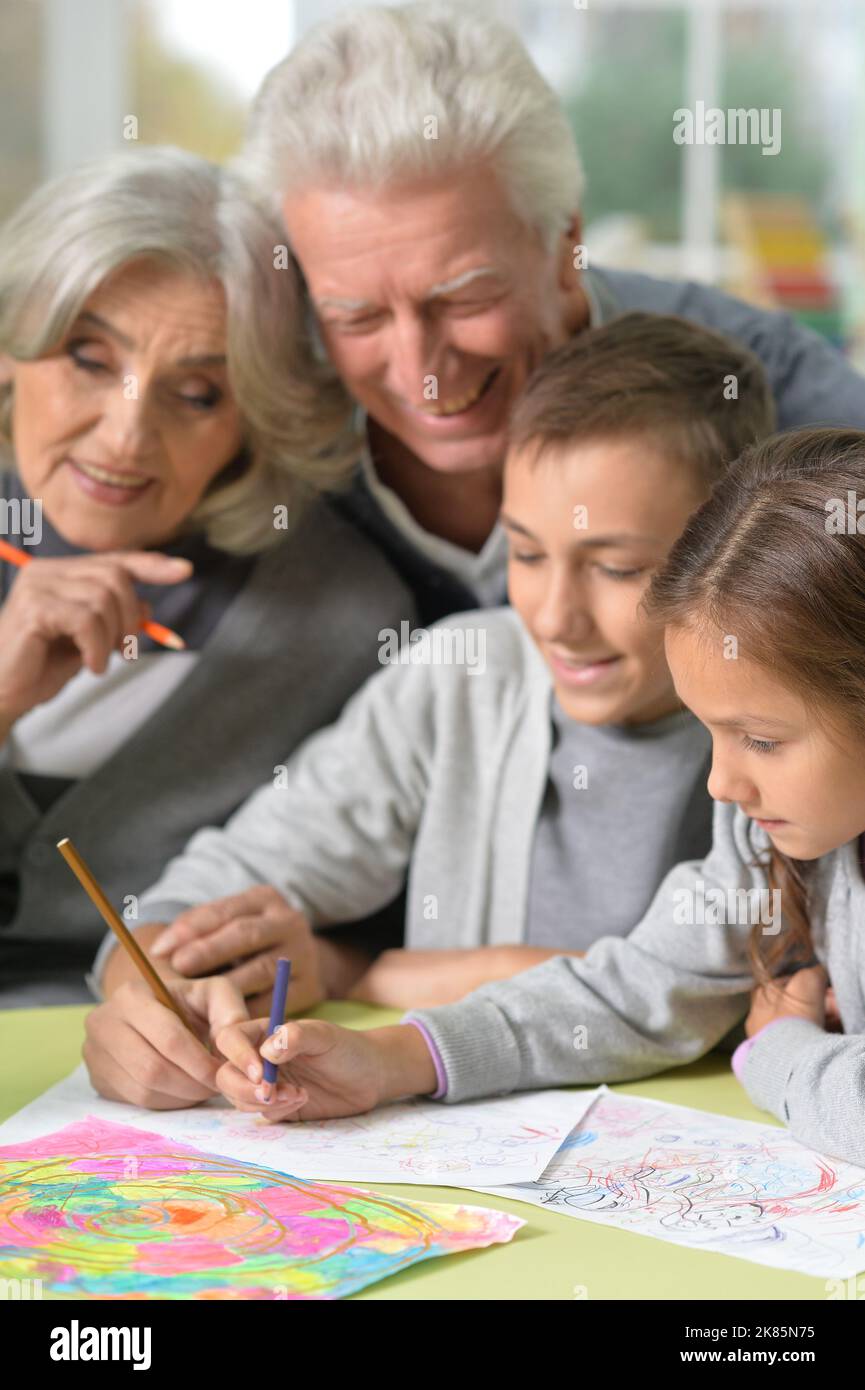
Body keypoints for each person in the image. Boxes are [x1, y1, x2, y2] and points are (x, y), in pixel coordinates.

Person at [82, 312, 774, 1107]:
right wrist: (145, 984)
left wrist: (370, 972)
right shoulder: (462, 676)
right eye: (523, 552)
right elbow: (225, 881)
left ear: (735, 551)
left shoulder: (782, 729)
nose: (552, 616)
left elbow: (694, 990)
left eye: (615, 568)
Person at [211, 426, 865, 1173]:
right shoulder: (769, 833)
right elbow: (636, 990)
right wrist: (392, 1060)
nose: (721, 783)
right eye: (710, 731)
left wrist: (779, 1052)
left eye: (761, 739)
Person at [236, 1, 865, 626]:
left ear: (566, 245)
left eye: (463, 299)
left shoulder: (777, 402)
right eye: (358, 317)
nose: (417, 366)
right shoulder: (254, 424)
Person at [0, 146, 412, 1007]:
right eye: (87, 357)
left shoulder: (342, 612)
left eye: (194, 395)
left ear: (253, 422)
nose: (124, 437)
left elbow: (342, 929)